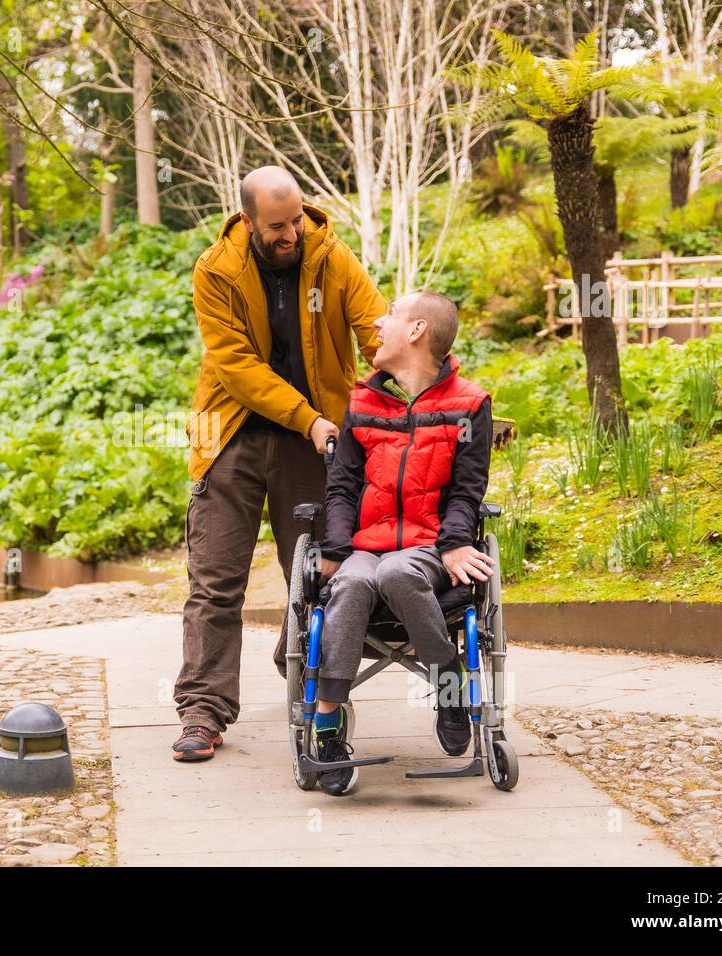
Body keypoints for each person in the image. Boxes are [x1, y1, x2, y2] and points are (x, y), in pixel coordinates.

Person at [173, 166, 389, 761]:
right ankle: (203, 711)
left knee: (321, 574)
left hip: (314, 438)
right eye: (277, 226)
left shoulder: (331, 257)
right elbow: (236, 366)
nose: (291, 233)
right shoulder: (216, 271)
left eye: (296, 220)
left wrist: (428, 380)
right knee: (215, 582)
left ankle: (304, 669)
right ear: (248, 221)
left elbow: (377, 330)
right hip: (232, 434)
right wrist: (309, 418)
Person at [311, 290, 496, 795]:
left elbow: (467, 490)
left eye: (390, 314)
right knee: (351, 584)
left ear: (417, 330)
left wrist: (455, 542)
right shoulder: (361, 403)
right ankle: (327, 724)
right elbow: (342, 487)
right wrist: (335, 550)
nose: (377, 322)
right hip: (364, 549)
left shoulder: (469, 405)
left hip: (427, 548)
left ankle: (449, 686)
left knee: (398, 572)